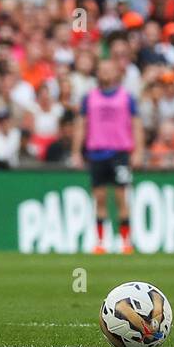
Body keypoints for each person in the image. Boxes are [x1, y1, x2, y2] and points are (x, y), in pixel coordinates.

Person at [71, 60, 145, 254]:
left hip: (119, 153)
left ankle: (125, 242)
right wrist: (76, 151)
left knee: (121, 197)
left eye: (109, 69)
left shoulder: (126, 97)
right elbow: (81, 125)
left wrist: (138, 151)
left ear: (116, 73)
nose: (105, 72)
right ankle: (101, 242)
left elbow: (136, 125)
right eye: (102, 69)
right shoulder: (89, 98)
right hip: (96, 153)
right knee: (100, 198)